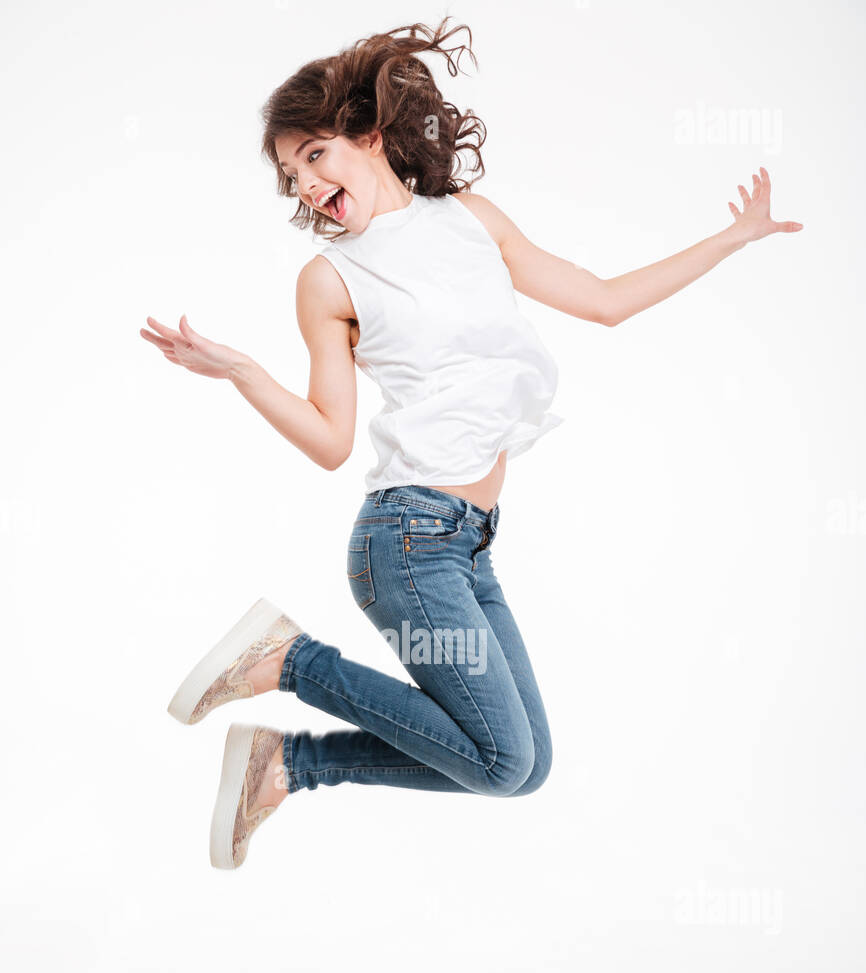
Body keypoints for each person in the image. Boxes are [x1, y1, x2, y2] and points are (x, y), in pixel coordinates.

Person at [139, 18, 802, 869]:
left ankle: (287, 761)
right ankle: (291, 662)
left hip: (469, 548)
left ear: (367, 135)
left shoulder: (471, 222)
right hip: (404, 545)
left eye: (313, 155)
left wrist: (732, 237)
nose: (303, 185)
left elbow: (604, 300)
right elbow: (332, 440)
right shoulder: (331, 279)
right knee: (498, 759)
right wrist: (242, 372)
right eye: (288, 174)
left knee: (522, 769)